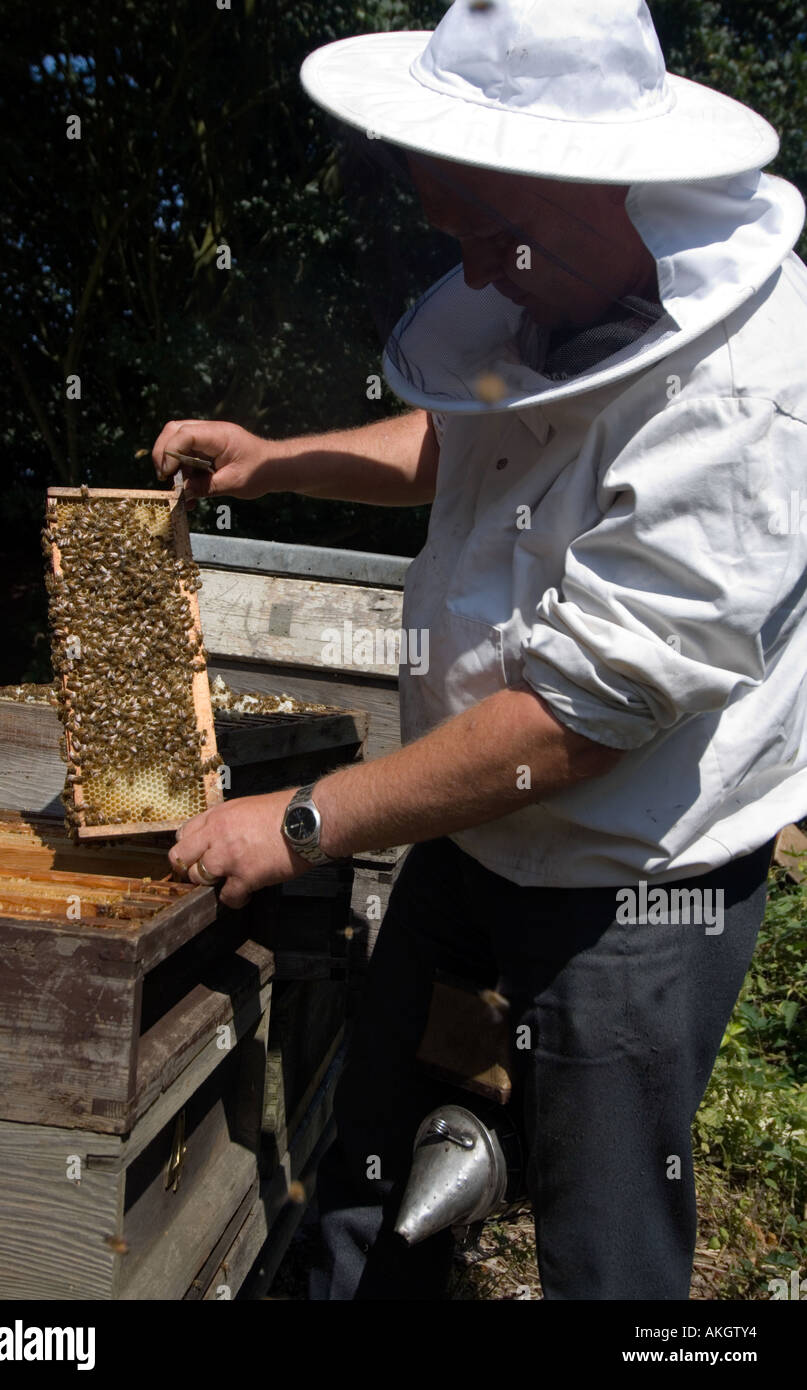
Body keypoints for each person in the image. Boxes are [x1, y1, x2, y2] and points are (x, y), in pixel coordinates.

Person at [152, 0, 807, 1299]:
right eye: (447, 225)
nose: (473, 265)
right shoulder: (544, 272)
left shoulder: (755, 385)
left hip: (629, 889)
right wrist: (277, 461)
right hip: (469, 833)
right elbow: (466, 436)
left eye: (483, 229)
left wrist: (299, 821)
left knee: (605, 1249)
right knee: (382, 1160)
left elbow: (580, 716)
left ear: (590, 179)